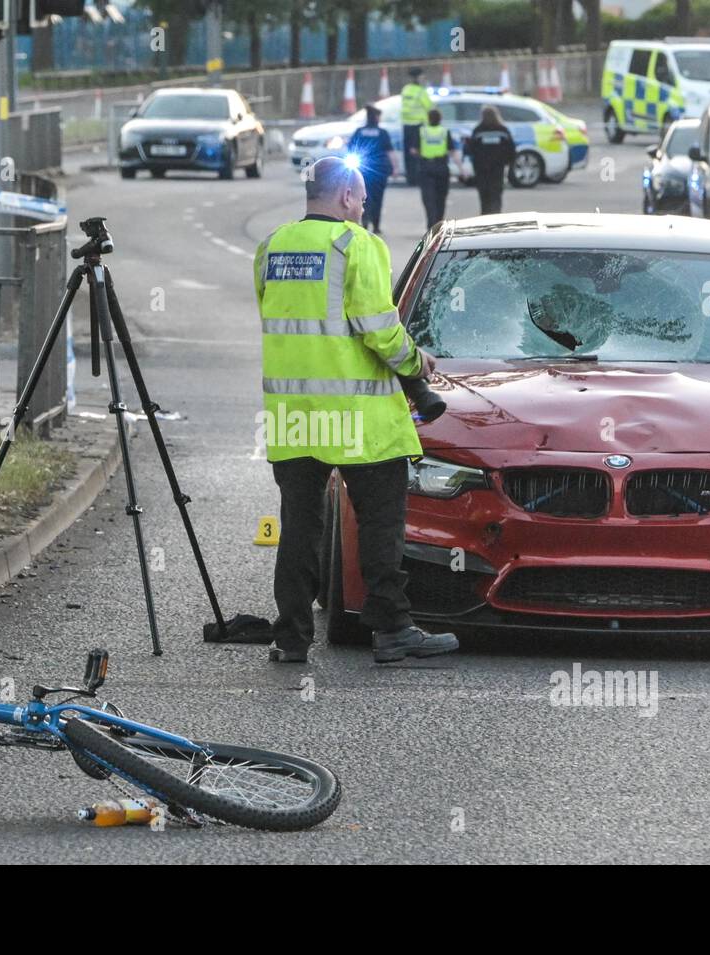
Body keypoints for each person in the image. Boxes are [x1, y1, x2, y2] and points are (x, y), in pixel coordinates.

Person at [252, 156, 460, 665]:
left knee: (299, 528)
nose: (364, 208)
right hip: (360, 418)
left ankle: (292, 638)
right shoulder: (357, 246)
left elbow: (278, 316)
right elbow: (380, 331)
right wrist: (416, 362)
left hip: (294, 415)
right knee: (380, 525)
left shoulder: (271, 246)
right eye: (363, 199)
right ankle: (391, 629)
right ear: (346, 197)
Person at [345, 104, 399, 233]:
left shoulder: (359, 132)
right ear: (376, 117)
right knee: (378, 198)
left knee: (361, 197)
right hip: (380, 171)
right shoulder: (382, 133)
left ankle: (364, 222)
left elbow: (350, 149)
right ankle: (376, 225)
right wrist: (395, 168)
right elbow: (390, 152)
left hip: (361, 171)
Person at [465, 104, 515, 215]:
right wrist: (505, 162)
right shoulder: (503, 130)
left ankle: (484, 218)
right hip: (497, 169)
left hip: (481, 170)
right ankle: (496, 217)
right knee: (496, 195)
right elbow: (511, 150)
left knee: (484, 196)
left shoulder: (478, 130)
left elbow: (471, 150)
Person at [417, 108, 459, 229]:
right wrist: (461, 168)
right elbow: (452, 150)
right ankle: (439, 224)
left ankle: (431, 223)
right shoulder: (444, 131)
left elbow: (414, 149)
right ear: (440, 119)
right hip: (441, 167)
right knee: (441, 197)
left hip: (426, 167)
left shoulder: (422, 131)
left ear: (428, 118)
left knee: (428, 198)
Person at [399, 67, 432, 186]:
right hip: (418, 126)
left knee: (408, 154)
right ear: (418, 77)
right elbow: (430, 108)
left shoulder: (405, 89)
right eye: (422, 76)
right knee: (418, 153)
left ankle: (410, 178)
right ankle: (418, 179)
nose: (424, 79)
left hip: (406, 125)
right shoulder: (421, 91)